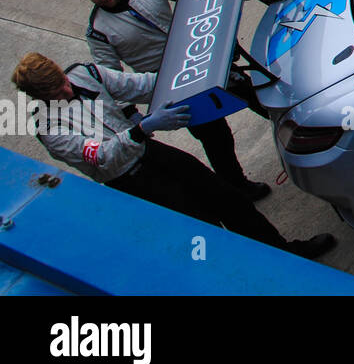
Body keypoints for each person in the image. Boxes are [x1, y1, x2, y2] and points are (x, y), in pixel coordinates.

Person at [12, 52, 335, 259]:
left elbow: (141, 85)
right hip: (132, 182)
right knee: (205, 232)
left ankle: (285, 253)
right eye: (58, 93)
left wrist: (195, 80)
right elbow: (102, 158)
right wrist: (141, 129)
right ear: (40, 96)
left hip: (154, 153)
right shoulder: (50, 128)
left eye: (64, 83)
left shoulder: (85, 74)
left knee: (230, 200)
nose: (67, 90)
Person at [74, 0, 270, 200]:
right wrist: (130, 113)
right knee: (216, 138)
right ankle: (238, 188)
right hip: (175, 88)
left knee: (259, 99)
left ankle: (303, 134)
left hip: (206, 59)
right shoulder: (98, 32)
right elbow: (112, 79)